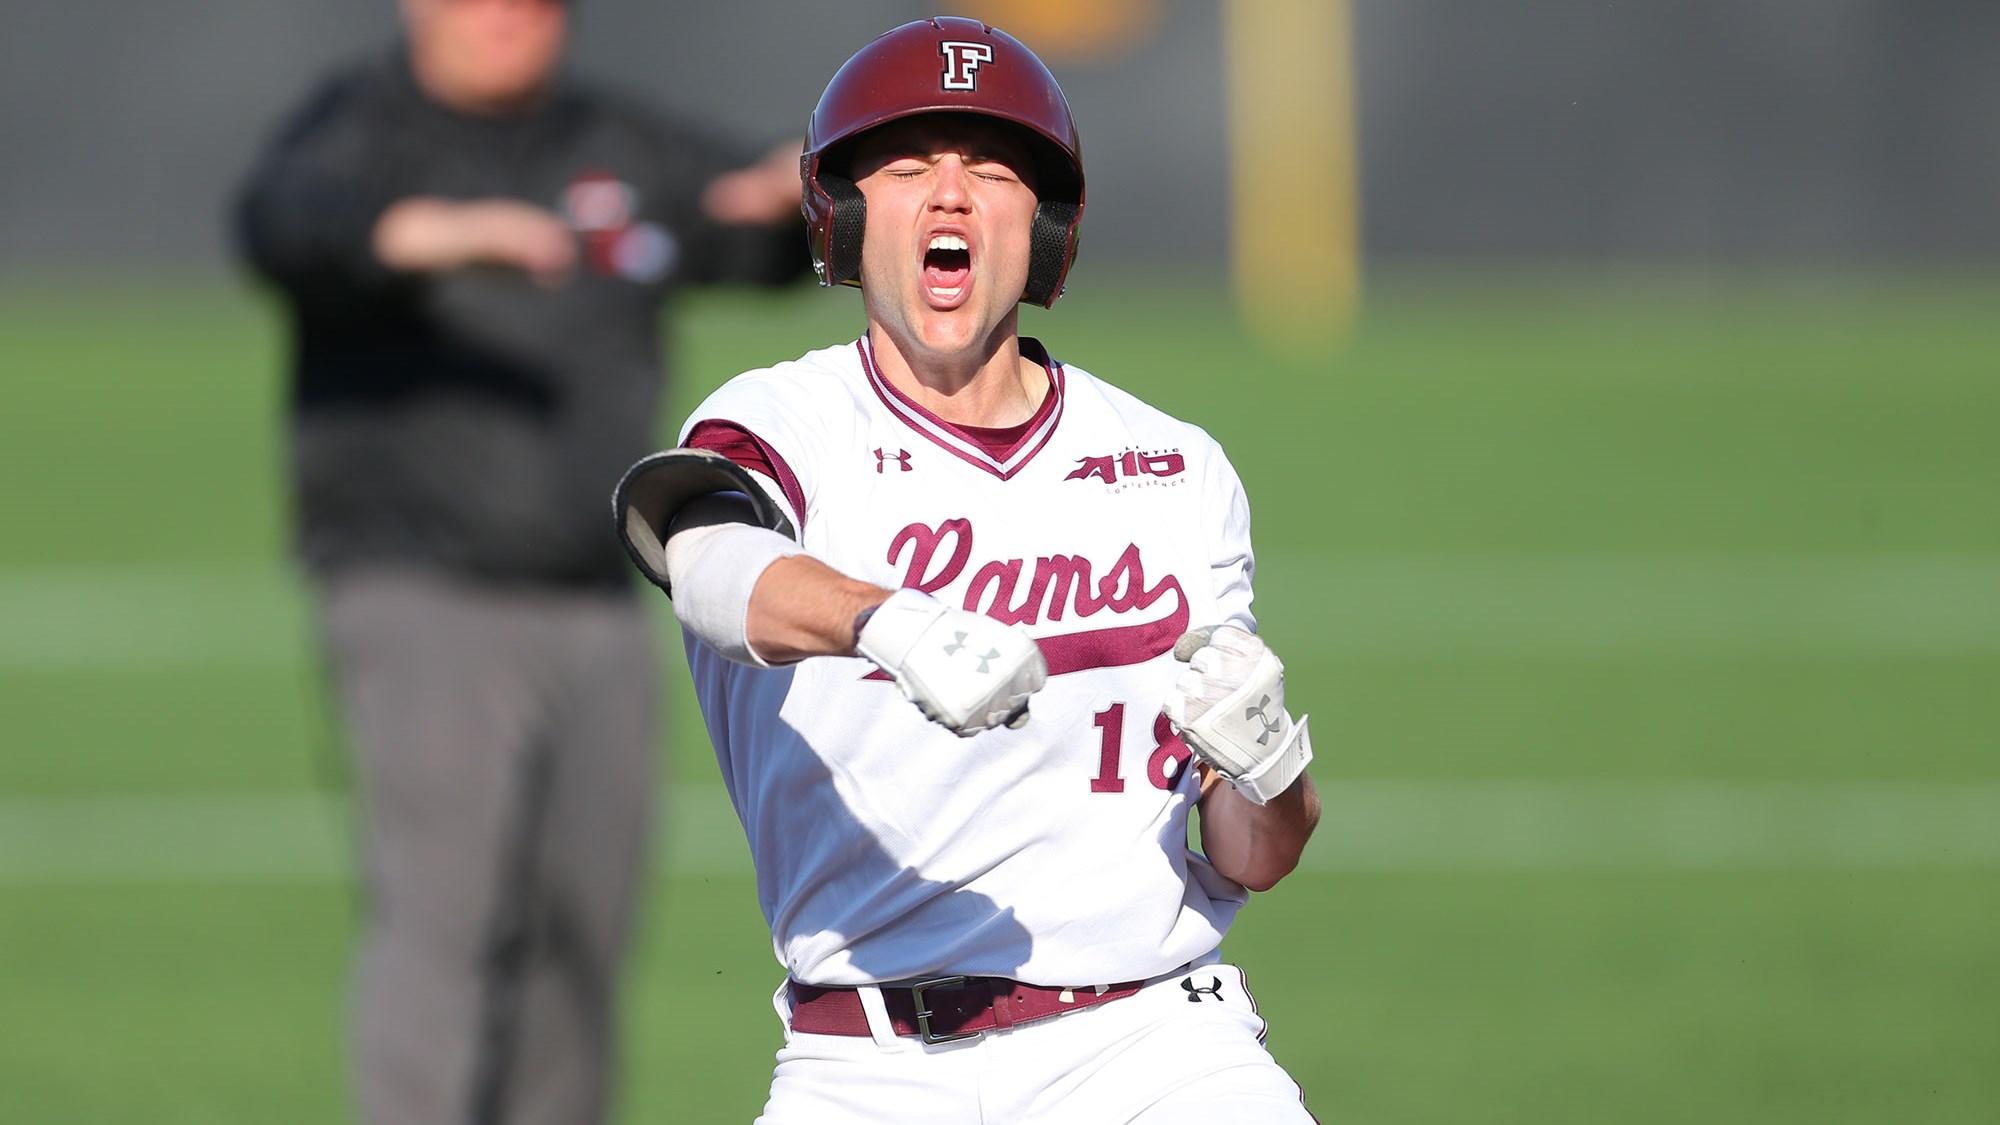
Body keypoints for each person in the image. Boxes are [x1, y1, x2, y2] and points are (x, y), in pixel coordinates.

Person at [612, 16, 1320, 1122]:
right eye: (906, 168)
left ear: (1039, 229)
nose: (949, 197)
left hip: (1153, 1044)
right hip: (866, 1063)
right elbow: (705, 560)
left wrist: (1273, 773)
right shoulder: (784, 420)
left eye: (988, 170)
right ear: (842, 217)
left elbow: (1249, 855)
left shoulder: (1176, 467)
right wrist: (887, 623)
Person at [231, 1, 806, 1121]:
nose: (508, 20)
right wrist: (424, 233)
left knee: (579, 934)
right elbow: (280, 223)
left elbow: (739, 222)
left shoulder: (609, 140)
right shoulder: (367, 125)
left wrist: (791, 195)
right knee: (445, 923)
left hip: (597, 597)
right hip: (425, 586)